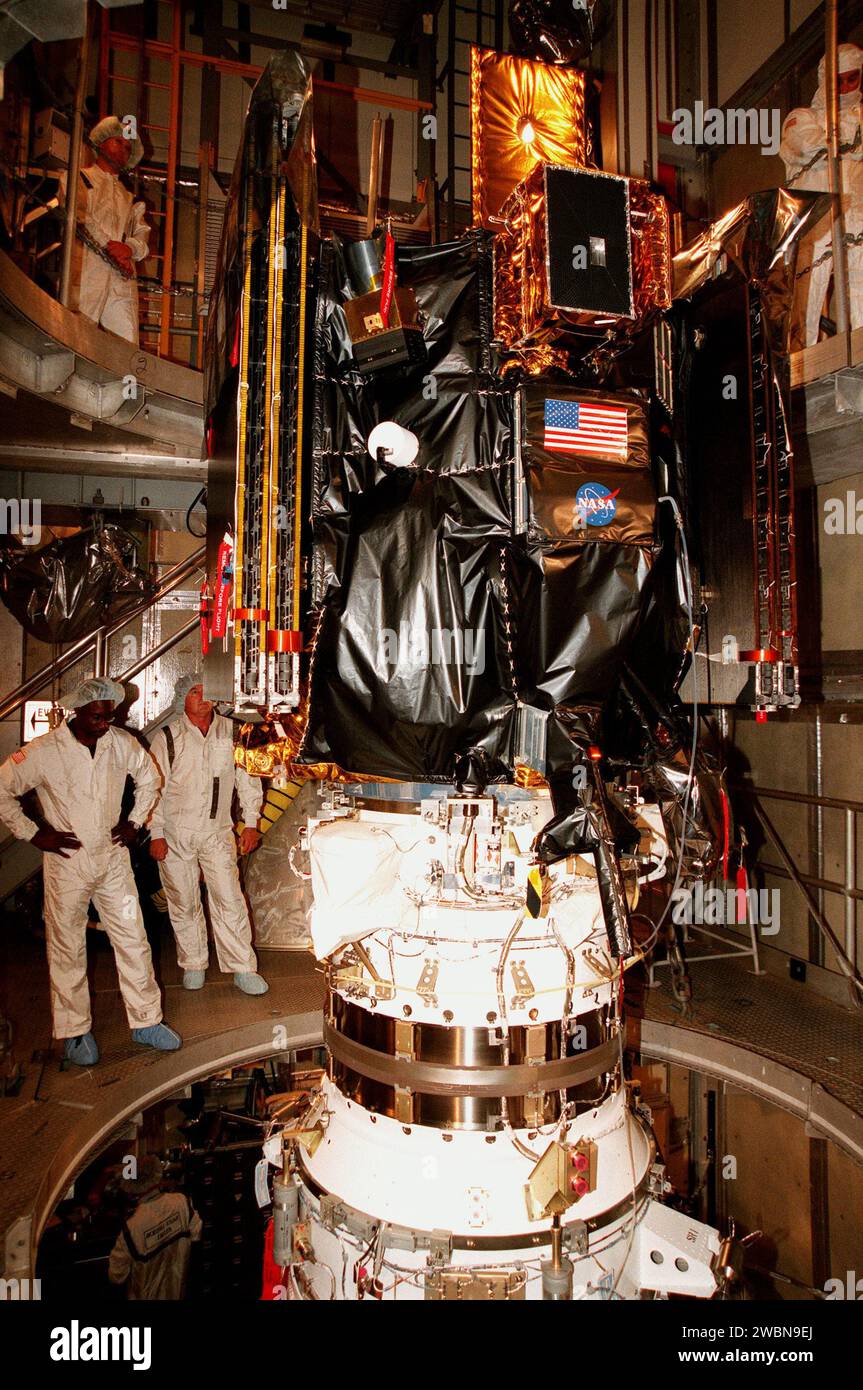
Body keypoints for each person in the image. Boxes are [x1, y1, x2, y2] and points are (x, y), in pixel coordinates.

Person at [0, 678, 181, 1065]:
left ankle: (146, 1021)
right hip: (68, 864)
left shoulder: (121, 742)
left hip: (113, 860)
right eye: (97, 716)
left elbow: (150, 780)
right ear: (77, 711)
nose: (104, 723)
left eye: (109, 716)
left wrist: (134, 822)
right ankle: (75, 1031)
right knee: (67, 947)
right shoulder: (45, 751)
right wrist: (35, 833)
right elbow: (2, 789)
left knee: (134, 938)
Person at [148, 674, 268, 995]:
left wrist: (251, 823)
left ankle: (243, 967)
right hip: (176, 834)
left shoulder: (233, 733)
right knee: (183, 901)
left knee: (229, 898)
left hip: (217, 832)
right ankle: (193, 963)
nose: (201, 697)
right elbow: (152, 789)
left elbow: (248, 781)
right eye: (193, 692)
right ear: (181, 699)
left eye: (205, 690)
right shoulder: (167, 739)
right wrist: (156, 832)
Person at [780, 42, 863, 345]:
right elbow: (805, 145)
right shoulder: (802, 117)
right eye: (837, 81)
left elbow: (832, 146)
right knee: (807, 299)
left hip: (858, 219)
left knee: (860, 297)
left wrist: (841, 144)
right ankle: (800, 364)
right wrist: (850, 142)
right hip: (816, 221)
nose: (844, 87)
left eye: (851, 79)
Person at [58, 115, 150, 343]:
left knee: (125, 346)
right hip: (85, 272)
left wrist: (129, 249)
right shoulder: (75, 178)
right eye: (118, 142)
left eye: (128, 148)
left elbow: (142, 231)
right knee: (76, 338)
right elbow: (78, 217)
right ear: (100, 142)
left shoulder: (131, 198)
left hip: (121, 278)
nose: (123, 150)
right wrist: (111, 247)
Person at [108, 1155, 202, 1300]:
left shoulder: (131, 1228)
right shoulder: (181, 1202)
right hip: (179, 1293)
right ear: (157, 1176)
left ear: (132, 1188)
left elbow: (116, 1276)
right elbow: (197, 1234)